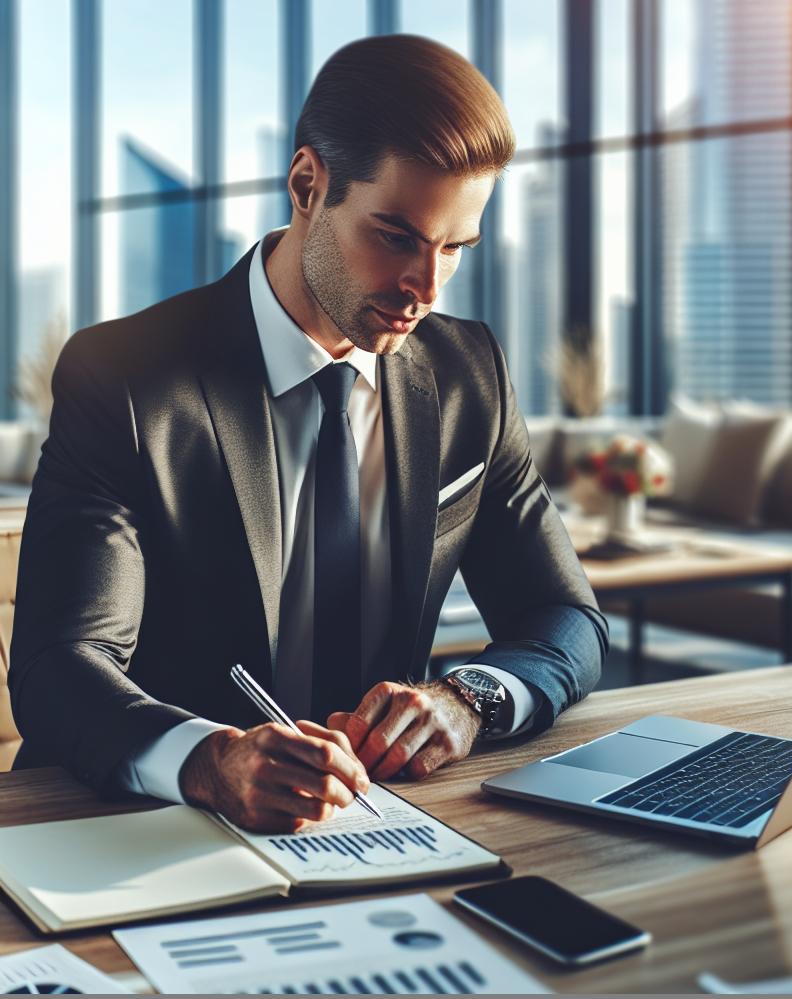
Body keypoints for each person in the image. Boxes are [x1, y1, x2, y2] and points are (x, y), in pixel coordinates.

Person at [9, 35, 608, 834]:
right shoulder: (127, 377)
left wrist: (468, 699)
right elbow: (60, 667)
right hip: (138, 826)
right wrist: (207, 762)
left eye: (455, 249)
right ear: (306, 185)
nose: (424, 288)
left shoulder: (469, 374)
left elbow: (567, 618)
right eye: (396, 237)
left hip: (381, 826)